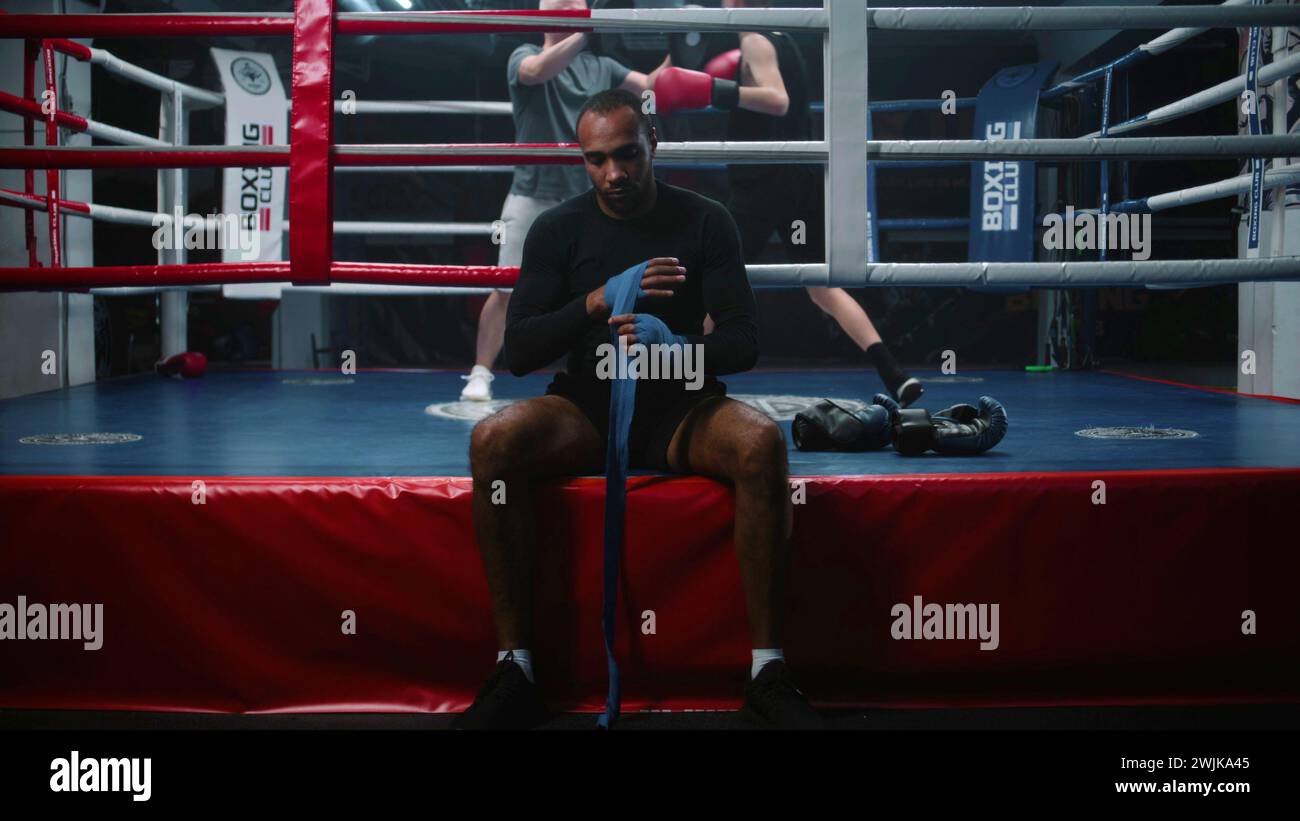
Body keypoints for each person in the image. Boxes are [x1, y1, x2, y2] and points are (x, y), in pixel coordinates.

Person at [455, 88, 822, 730]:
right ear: (582, 159)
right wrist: (596, 301)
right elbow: (519, 351)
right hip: (588, 413)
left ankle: (768, 669)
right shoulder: (558, 229)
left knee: (761, 442)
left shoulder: (705, 220)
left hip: (681, 408)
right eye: (597, 160)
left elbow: (743, 342)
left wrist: (678, 349)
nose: (614, 174)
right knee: (493, 440)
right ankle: (514, 668)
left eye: (627, 155)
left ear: (653, 142)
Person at [653, 0, 924, 406]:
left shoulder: (756, 40)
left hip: (763, 180)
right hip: (802, 178)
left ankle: (683, 382)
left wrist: (712, 90)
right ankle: (894, 373)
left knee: (713, 280)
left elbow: (776, 100)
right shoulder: (785, 35)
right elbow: (657, 79)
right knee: (822, 287)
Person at [454, 0, 670, 403]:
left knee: (613, 289)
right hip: (531, 194)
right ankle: (481, 373)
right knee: (505, 289)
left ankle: (617, 372)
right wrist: (584, 30)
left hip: (588, 199)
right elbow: (538, 73)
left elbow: (652, 85)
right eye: (563, 4)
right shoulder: (524, 57)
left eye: (579, 5)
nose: (572, 9)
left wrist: (687, 46)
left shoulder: (602, 68)